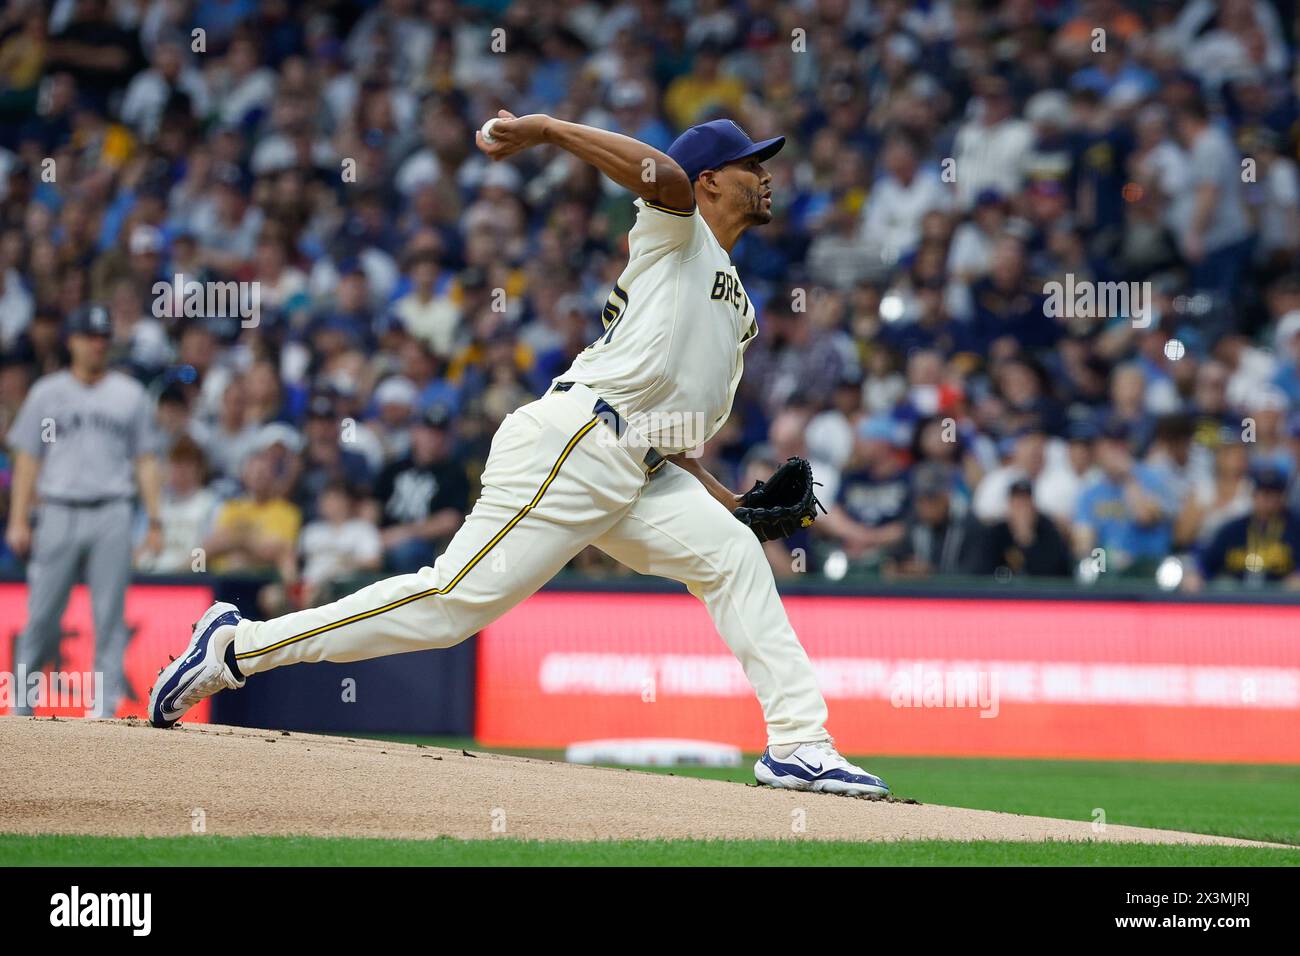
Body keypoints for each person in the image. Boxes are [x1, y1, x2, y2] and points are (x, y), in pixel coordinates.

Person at [149, 113, 889, 796]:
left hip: (639, 464)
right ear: (708, 180)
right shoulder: (678, 229)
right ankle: (238, 646)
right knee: (449, 605)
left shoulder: (743, 306)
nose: (766, 174)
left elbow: (671, 422)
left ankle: (799, 741)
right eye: (750, 162)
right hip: (577, 443)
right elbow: (659, 175)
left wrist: (728, 499)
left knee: (731, 553)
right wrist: (543, 130)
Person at [4, 304, 162, 716]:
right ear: (72, 341)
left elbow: (145, 460)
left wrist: (155, 519)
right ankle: (21, 704)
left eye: (103, 337)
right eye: (90, 337)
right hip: (57, 509)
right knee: (41, 614)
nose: (98, 344)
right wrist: (19, 518)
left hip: (112, 509)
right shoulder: (47, 392)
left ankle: (104, 706)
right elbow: (27, 460)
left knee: (109, 615)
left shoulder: (129, 394)